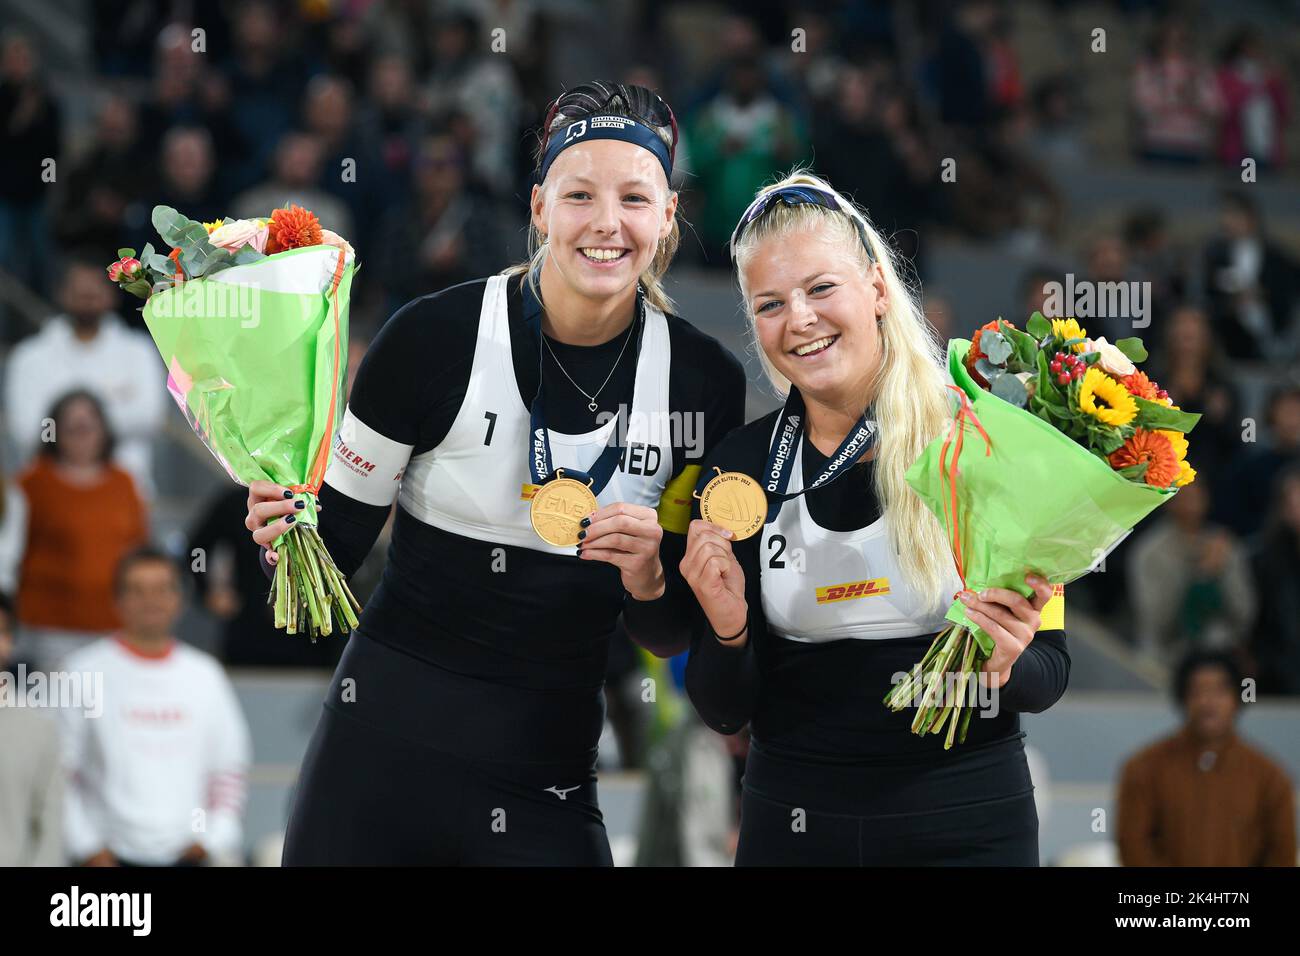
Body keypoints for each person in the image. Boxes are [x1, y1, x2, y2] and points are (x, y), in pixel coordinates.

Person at [244, 82, 746, 865]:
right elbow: (322, 570)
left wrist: (650, 577)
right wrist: (282, 534)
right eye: (579, 195)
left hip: (546, 773)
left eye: (634, 198)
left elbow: (665, 628)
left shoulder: (701, 382)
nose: (606, 223)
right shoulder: (431, 340)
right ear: (541, 207)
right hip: (378, 754)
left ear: (668, 216)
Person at [675, 172, 1070, 865]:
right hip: (794, 828)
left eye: (821, 288)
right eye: (770, 303)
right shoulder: (738, 471)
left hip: (968, 825)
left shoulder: (984, 440)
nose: (799, 318)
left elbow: (1049, 671)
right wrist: (728, 628)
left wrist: (1011, 663)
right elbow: (723, 709)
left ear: (879, 290)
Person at [59, 547, 252, 867]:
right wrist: (88, 848)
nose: (150, 601)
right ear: (117, 600)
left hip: (190, 857)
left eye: (162, 589)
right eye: (137, 590)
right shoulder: (80, 671)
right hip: (105, 861)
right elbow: (62, 773)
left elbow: (229, 769)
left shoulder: (206, 675)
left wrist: (210, 840)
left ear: (178, 598)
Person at [1116, 649, 1295, 866]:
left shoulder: (1270, 778)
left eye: (1219, 691)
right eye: (1198, 691)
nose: (1208, 702)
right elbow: (1133, 847)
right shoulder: (1143, 769)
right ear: (1183, 698)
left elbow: (1282, 855)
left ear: (1238, 698)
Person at [14, 390, 149, 669]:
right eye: (72, 428)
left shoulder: (124, 482)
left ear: (104, 431)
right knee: (55, 707)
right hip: (49, 626)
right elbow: (13, 552)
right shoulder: (32, 483)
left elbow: (138, 548)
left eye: (88, 427)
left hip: (112, 623)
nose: (81, 436)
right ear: (54, 432)